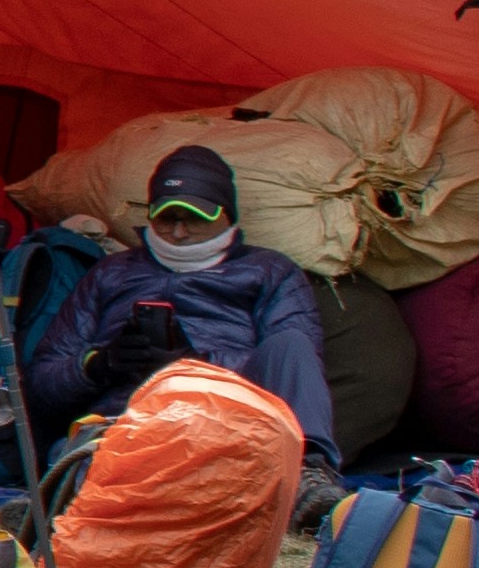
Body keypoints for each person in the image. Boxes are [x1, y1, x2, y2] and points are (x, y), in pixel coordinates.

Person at [29, 141, 341, 462]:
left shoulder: (271, 271)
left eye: (195, 218)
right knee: (83, 460)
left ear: (227, 215)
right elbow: (41, 383)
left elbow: (294, 364)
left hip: (229, 423)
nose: (179, 232)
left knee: (291, 343)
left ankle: (309, 472)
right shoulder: (110, 272)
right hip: (122, 425)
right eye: (167, 218)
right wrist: (98, 365)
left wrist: (193, 363)